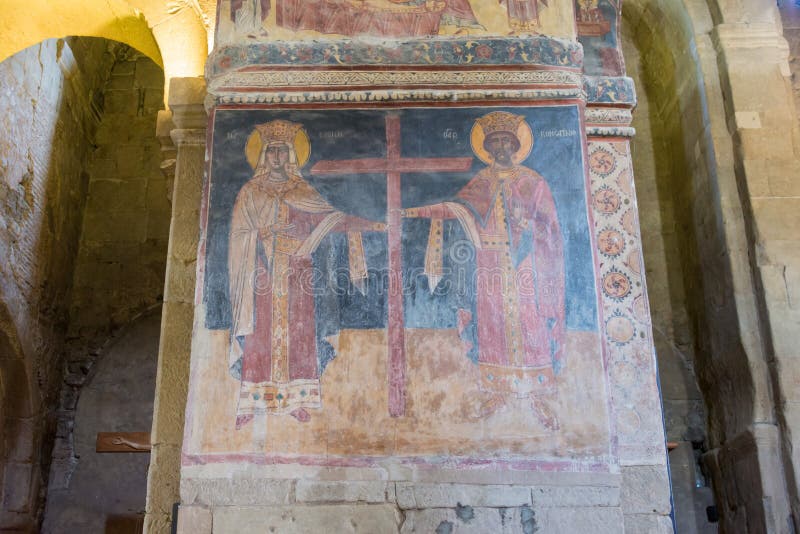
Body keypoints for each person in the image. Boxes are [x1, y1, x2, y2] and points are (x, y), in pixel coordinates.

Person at [404, 111, 565, 429]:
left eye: (507, 141)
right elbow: (457, 209)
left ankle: (537, 395)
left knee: (528, 320)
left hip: (524, 264)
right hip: (488, 264)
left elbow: (551, 228)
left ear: (516, 145)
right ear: (488, 148)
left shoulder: (533, 182)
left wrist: (527, 223)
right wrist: (413, 211)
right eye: (496, 142)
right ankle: (497, 392)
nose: (502, 147)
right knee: (491, 323)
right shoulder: (482, 182)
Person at [228, 120, 382, 427]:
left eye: (282, 152)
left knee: (300, 332)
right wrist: (265, 230)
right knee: (261, 333)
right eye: (271, 152)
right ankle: (252, 401)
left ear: (291, 156)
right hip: (262, 271)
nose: (276, 157)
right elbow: (238, 233)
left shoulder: (303, 190)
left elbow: (329, 219)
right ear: (263, 156)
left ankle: (296, 400)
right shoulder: (250, 192)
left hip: (299, 270)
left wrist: (368, 224)